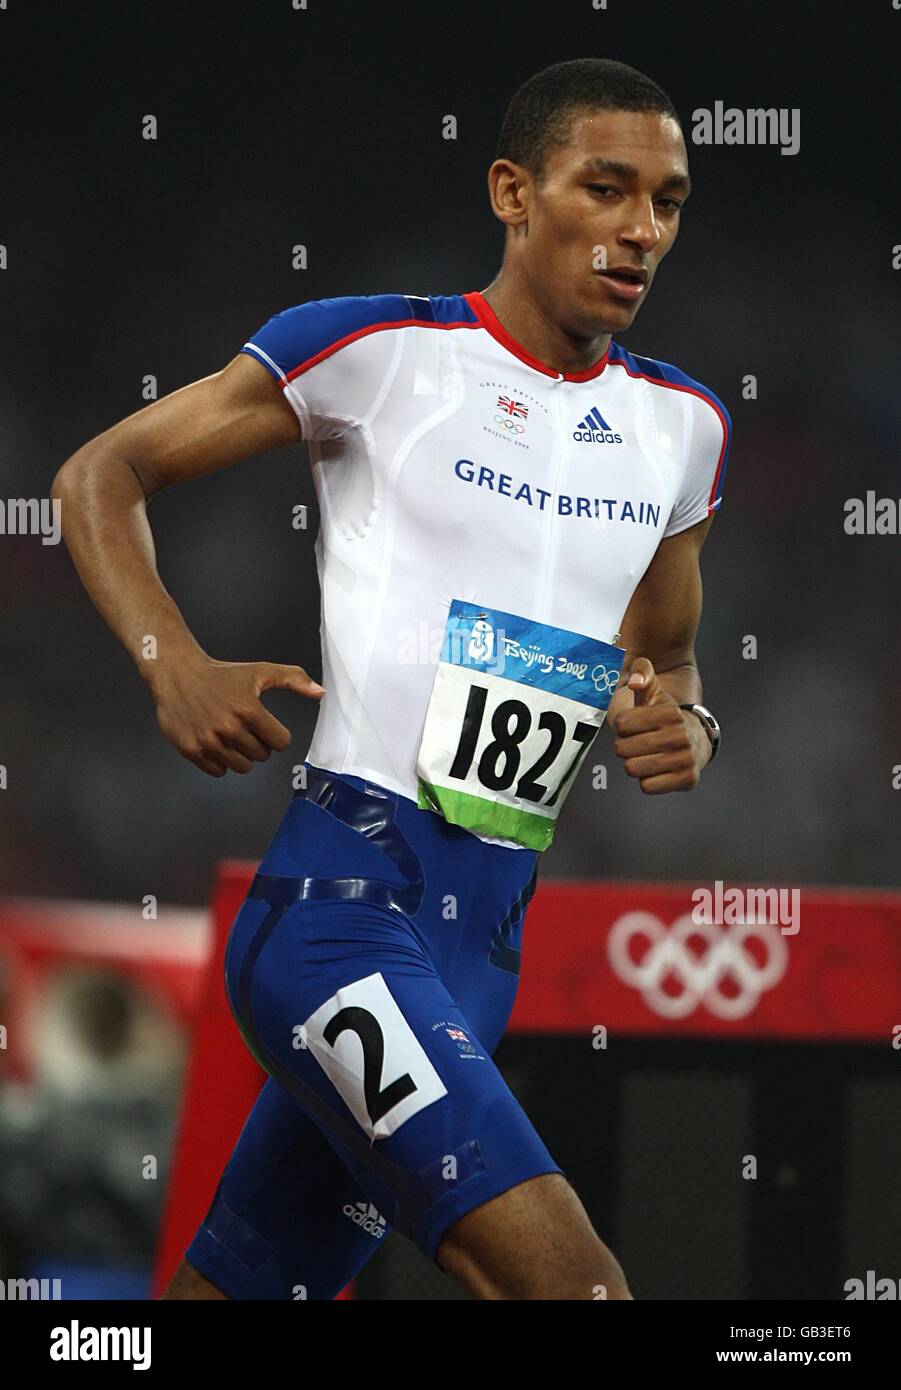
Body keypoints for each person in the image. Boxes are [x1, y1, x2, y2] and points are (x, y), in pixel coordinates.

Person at [52, 57, 730, 1301]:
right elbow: (100, 475)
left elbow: (668, 659)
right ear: (512, 191)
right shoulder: (374, 351)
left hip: (483, 942)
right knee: (576, 1287)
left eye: (671, 202)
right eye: (608, 188)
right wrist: (173, 661)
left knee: (253, 1287)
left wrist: (685, 722)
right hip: (339, 914)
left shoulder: (682, 429)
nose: (643, 230)